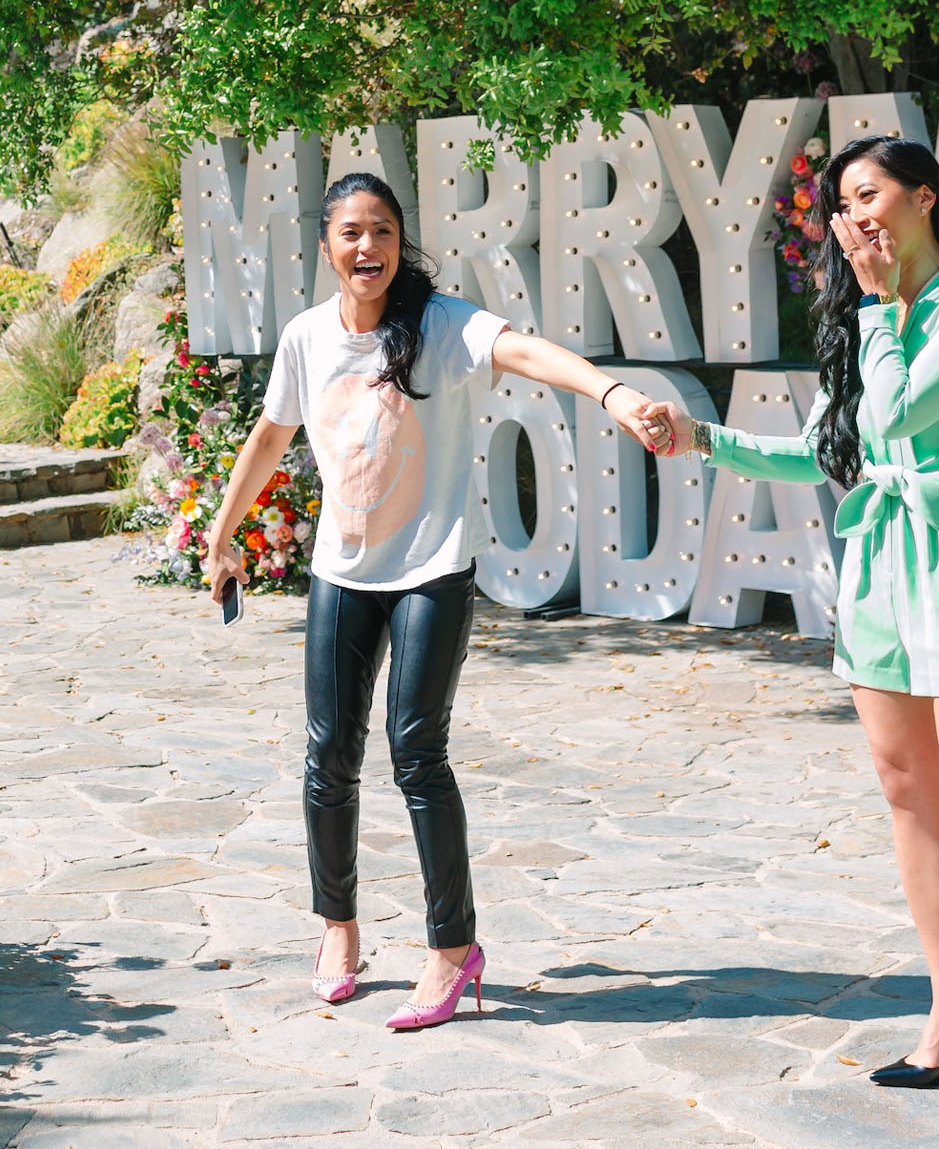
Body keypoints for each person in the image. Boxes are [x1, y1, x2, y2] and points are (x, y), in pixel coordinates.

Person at [641, 134, 939, 1117]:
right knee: (906, 787)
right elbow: (832, 451)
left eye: (868, 194)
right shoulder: (868, 318)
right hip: (881, 556)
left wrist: (878, 307)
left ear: (924, 197)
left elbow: (900, 414)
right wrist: (703, 438)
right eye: (842, 204)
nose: (853, 217)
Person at [203, 168, 662, 1032]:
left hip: (432, 568)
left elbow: (526, 351)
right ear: (328, 247)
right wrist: (223, 533)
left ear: (399, 242)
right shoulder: (307, 337)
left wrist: (612, 391)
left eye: (382, 230)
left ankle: (452, 947)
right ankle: (338, 929)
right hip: (343, 570)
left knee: (417, 752)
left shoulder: (440, 325)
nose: (368, 246)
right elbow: (270, 434)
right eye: (351, 232)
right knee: (328, 755)